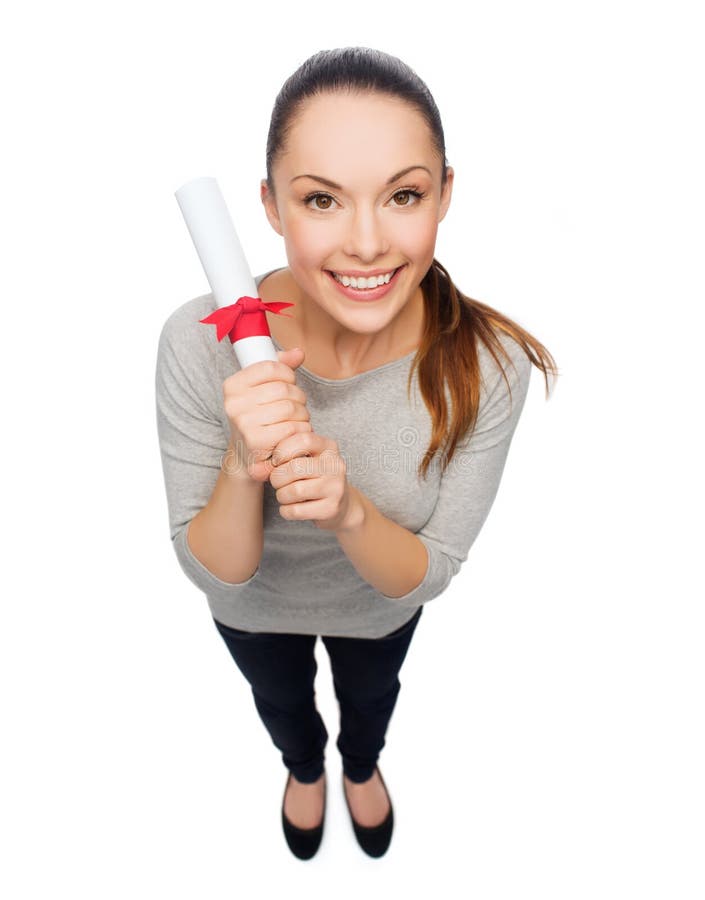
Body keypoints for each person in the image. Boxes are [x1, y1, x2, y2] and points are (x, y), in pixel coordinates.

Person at [155, 46, 558, 861]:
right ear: (270, 206)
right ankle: (304, 769)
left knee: (370, 698)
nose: (367, 243)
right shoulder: (198, 340)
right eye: (322, 200)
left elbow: (432, 569)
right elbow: (211, 570)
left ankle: (361, 765)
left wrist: (346, 510)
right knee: (280, 704)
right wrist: (246, 455)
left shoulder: (488, 364)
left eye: (403, 195)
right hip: (253, 612)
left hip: (380, 612)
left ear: (444, 193)